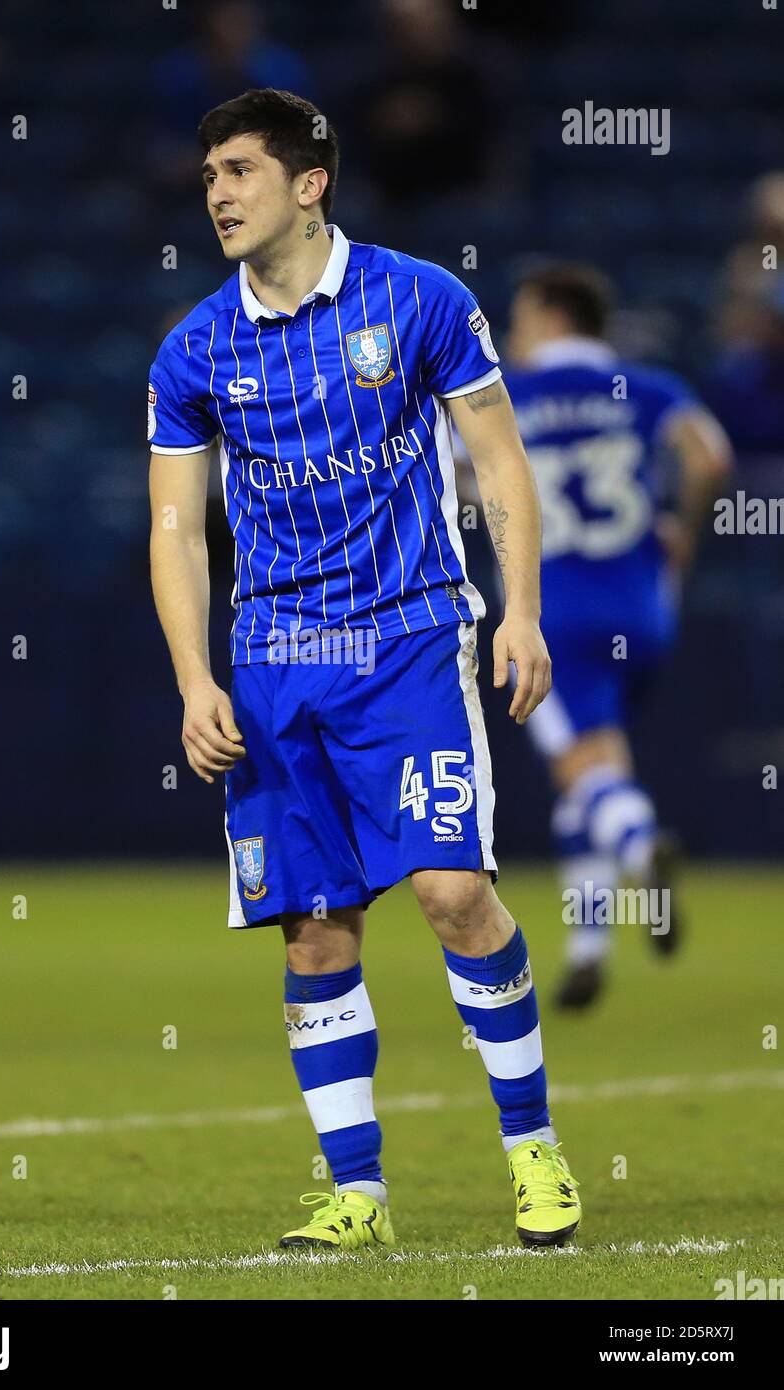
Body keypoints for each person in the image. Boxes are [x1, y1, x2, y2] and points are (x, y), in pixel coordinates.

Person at [148, 88, 580, 1249]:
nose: (218, 194)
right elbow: (177, 530)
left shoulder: (420, 298)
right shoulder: (193, 346)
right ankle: (358, 1196)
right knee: (316, 931)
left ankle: (532, 1148)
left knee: (449, 892)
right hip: (274, 659)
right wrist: (196, 679)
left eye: (238, 171)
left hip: (405, 640)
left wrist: (520, 613)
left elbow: (497, 461)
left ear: (308, 184)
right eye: (206, 178)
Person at [505, 264, 732, 1007]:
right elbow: (710, 454)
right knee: (594, 773)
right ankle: (587, 949)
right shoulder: (647, 385)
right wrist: (682, 536)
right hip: (643, 608)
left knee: (585, 772)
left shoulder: (508, 394)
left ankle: (642, 852)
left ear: (546, 315)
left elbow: (467, 478)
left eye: (519, 315)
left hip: (554, 616)